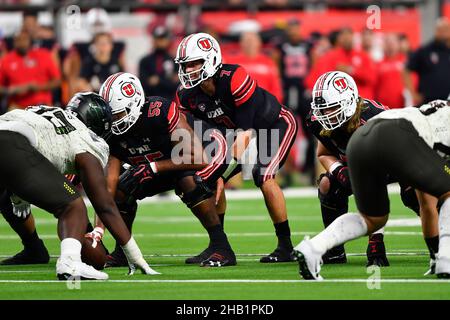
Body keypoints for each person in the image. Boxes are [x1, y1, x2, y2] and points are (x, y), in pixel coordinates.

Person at [0, 92, 157, 279]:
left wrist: (17, 194)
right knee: (73, 206)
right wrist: (134, 254)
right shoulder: (84, 137)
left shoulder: (49, 112)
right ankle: (70, 263)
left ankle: (36, 250)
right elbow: (104, 205)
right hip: (11, 146)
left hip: (9, 138)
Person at [174, 32, 298, 263]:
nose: (188, 70)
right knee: (209, 181)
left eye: (194, 63)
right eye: (185, 65)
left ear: (211, 60)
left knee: (263, 175)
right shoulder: (186, 95)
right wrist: (213, 171)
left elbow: (244, 134)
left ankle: (286, 246)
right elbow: (197, 136)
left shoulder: (235, 77)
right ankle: (218, 245)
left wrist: (219, 171)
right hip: (235, 135)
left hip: (273, 125)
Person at [294, 97, 449, 280]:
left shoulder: (437, 113)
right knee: (444, 193)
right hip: (398, 138)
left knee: (373, 218)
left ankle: (313, 247)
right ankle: (446, 258)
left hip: (362, 140)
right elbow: (427, 204)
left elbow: (425, 201)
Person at [95, 72, 236, 267]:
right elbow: (107, 189)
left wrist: (152, 167)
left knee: (191, 181)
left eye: (119, 114)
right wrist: (97, 231)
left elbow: (199, 157)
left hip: (200, 156)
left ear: (134, 103)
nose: (116, 120)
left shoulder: (159, 111)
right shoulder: (112, 130)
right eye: (112, 115)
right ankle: (123, 251)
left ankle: (222, 247)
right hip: (157, 168)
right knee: (120, 188)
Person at [0, 30, 61, 110]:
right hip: (17, 107)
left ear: (30, 41)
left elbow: (57, 81)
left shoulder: (43, 55)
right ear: (14, 42)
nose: (22, 43)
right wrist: (11, 91)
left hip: (43, 105)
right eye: (19, 40)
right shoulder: (6, 61)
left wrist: (38, 87)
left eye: (24, 39)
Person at [403, 18, 450, 105]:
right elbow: (406, 70)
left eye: (446, 29)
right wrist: (414, 94)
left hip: (448, 102)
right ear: (436, 31)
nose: (443, 33)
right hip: (429, 102)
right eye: (440, 30)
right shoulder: (425, 51)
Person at [138, 26, 179, 99]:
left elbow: (176, 85)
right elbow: (142, 84)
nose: (160, 42)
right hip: (149, 101)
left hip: (169, 102)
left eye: (162, 39)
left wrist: (159, 81)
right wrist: (166, 81)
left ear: (168, 40)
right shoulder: (145, 61)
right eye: (157, 39)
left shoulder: (175, 61)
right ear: (153, 40)